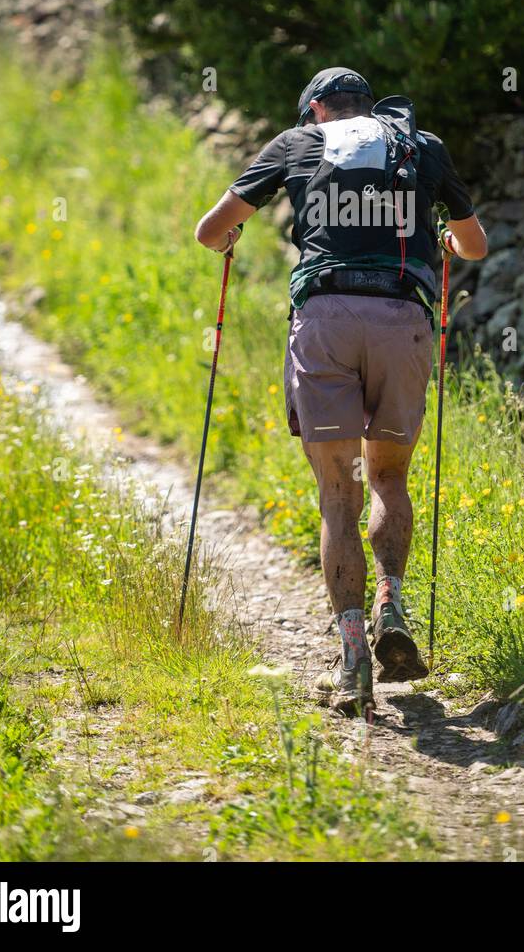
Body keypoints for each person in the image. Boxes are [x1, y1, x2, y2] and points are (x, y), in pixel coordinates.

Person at [195, 67, 486, 715]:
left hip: (325, 319)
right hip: (403, 319)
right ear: (369, 107)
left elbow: (210, 231)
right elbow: (474, 245)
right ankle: (392, 600)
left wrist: (234, 238)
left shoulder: (296, 145)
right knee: (389, 481)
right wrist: (437, 234)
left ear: (317, 110)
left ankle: (352, 656)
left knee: (338, 495)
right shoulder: (421, 145)